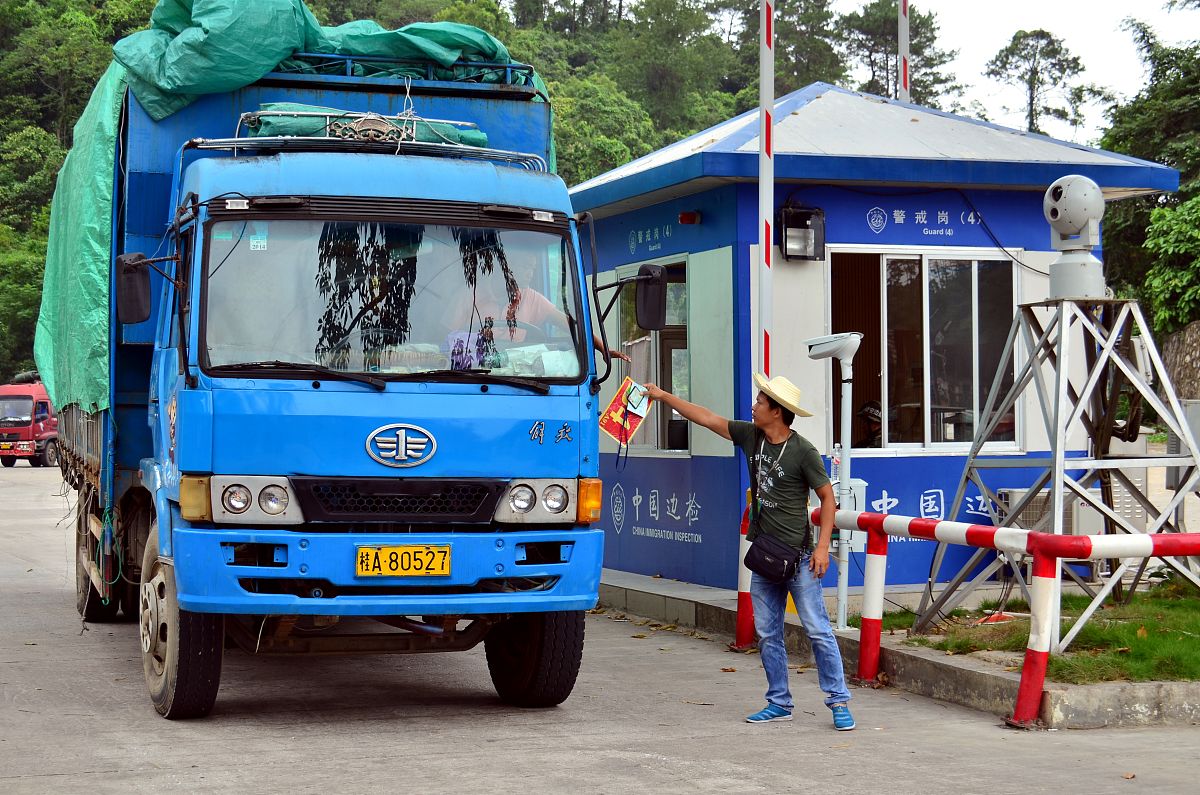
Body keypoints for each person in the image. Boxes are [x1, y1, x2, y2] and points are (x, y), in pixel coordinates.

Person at [643, 373, 855, 731]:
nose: (753, 406)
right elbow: (707, 417)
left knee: (817, 629)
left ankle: (838, 702)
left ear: (777, 411)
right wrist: (664, 396)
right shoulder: (750, 436)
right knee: (768, 632)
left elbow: (828, 498)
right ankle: (779, 702)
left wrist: (822, 548)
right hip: (765, 555)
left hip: (800, 558)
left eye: (759, 402)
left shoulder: (803, 451)